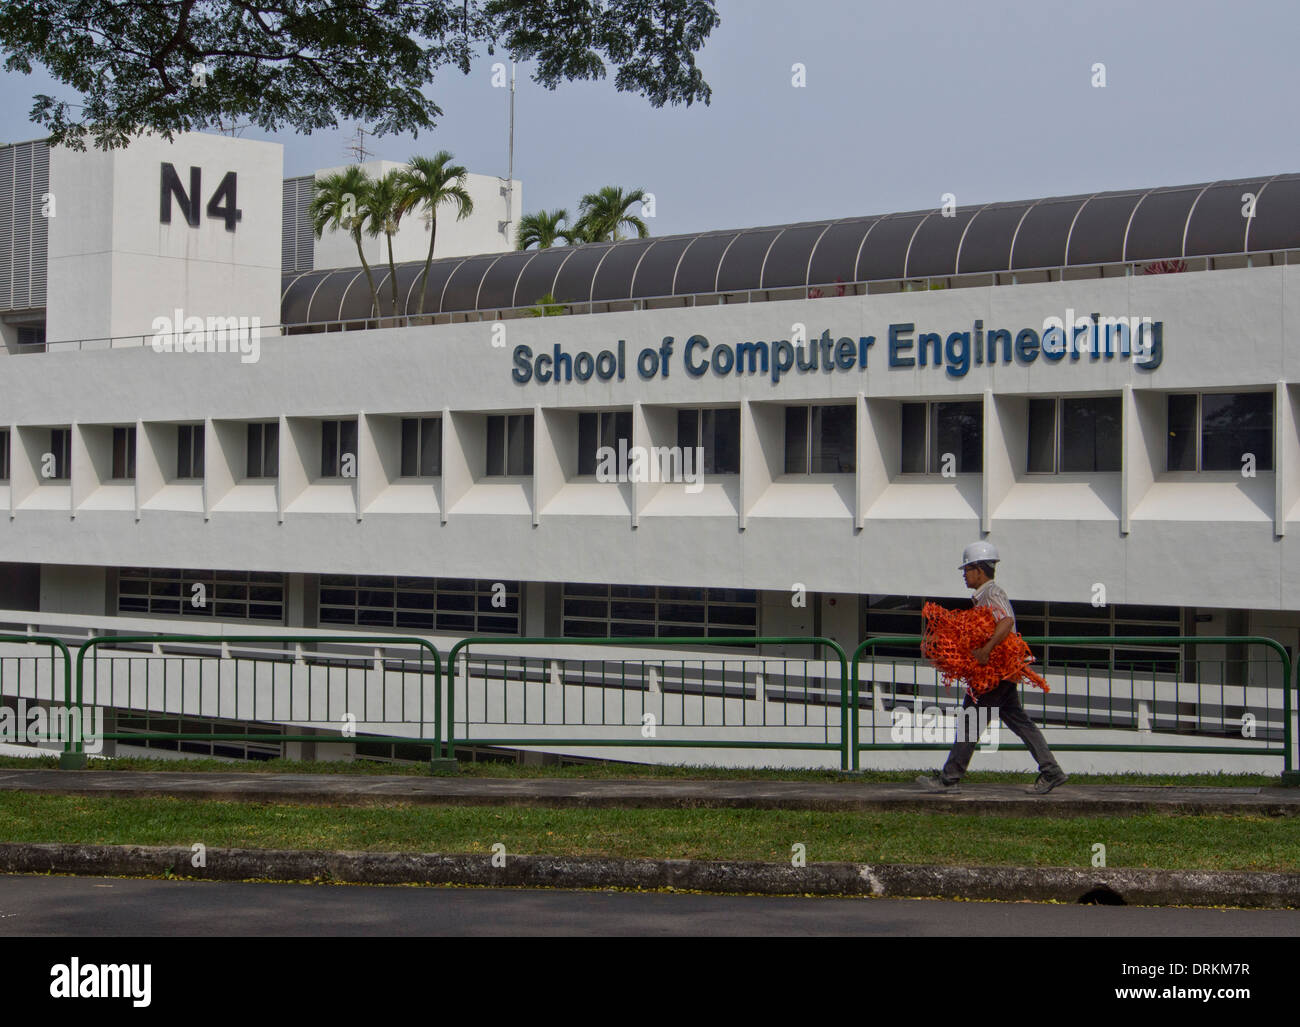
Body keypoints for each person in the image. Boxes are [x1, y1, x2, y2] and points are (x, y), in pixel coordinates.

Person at [916, 541, 1069, 795]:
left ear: (979, 569)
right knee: (1021, 723)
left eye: (967, 569)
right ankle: (1052, 771)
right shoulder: (983, 596)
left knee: (969, 722)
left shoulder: (992, 593)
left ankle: (949, 778)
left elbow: (1006, 620)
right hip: (1001, 675)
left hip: (993, 675)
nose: (964, 575)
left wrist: (986, 650)